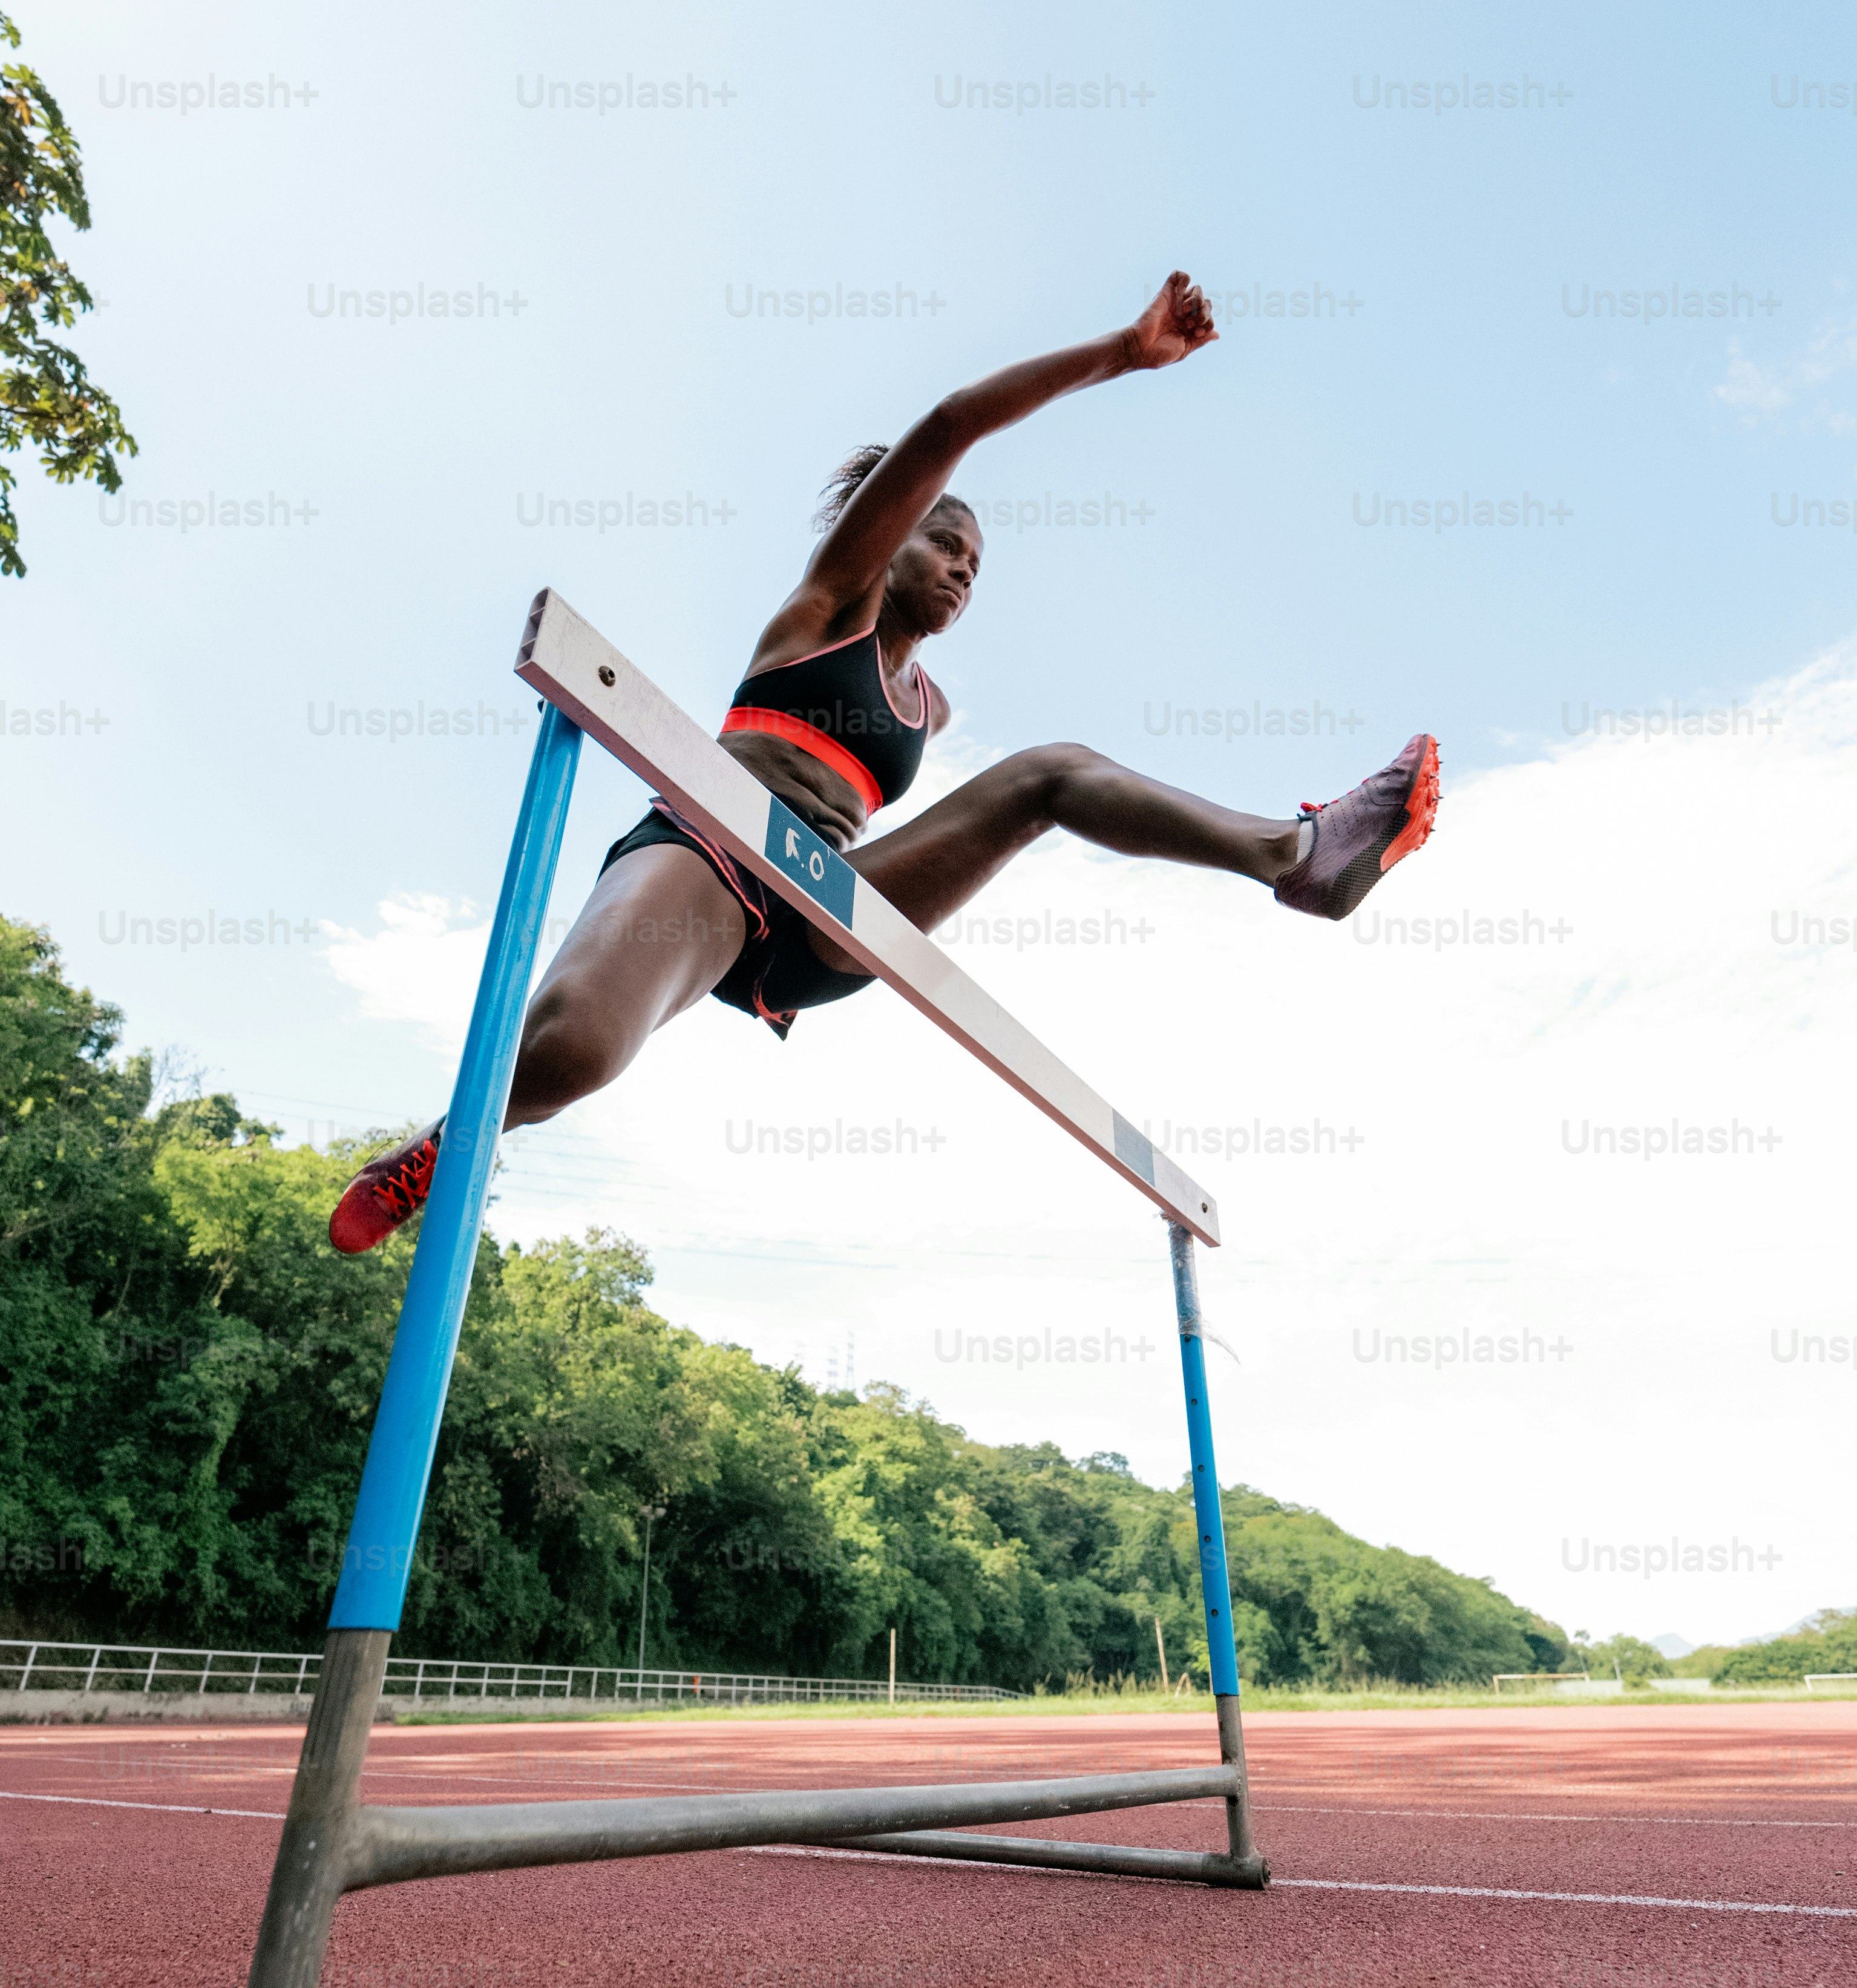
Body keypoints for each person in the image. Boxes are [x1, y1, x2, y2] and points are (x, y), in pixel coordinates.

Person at [330, 274, 1438, 1253]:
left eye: (976, 564)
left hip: (821, 914)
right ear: (888, 538)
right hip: (711, 852)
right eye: (944, 544)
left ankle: (1298, 853)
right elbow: (954, 422)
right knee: (578, 1048)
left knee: (1046, 773)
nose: (961, 571)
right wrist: (1118, 356)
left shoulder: (929, 705)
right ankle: (437, 1150)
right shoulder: (830, 609)